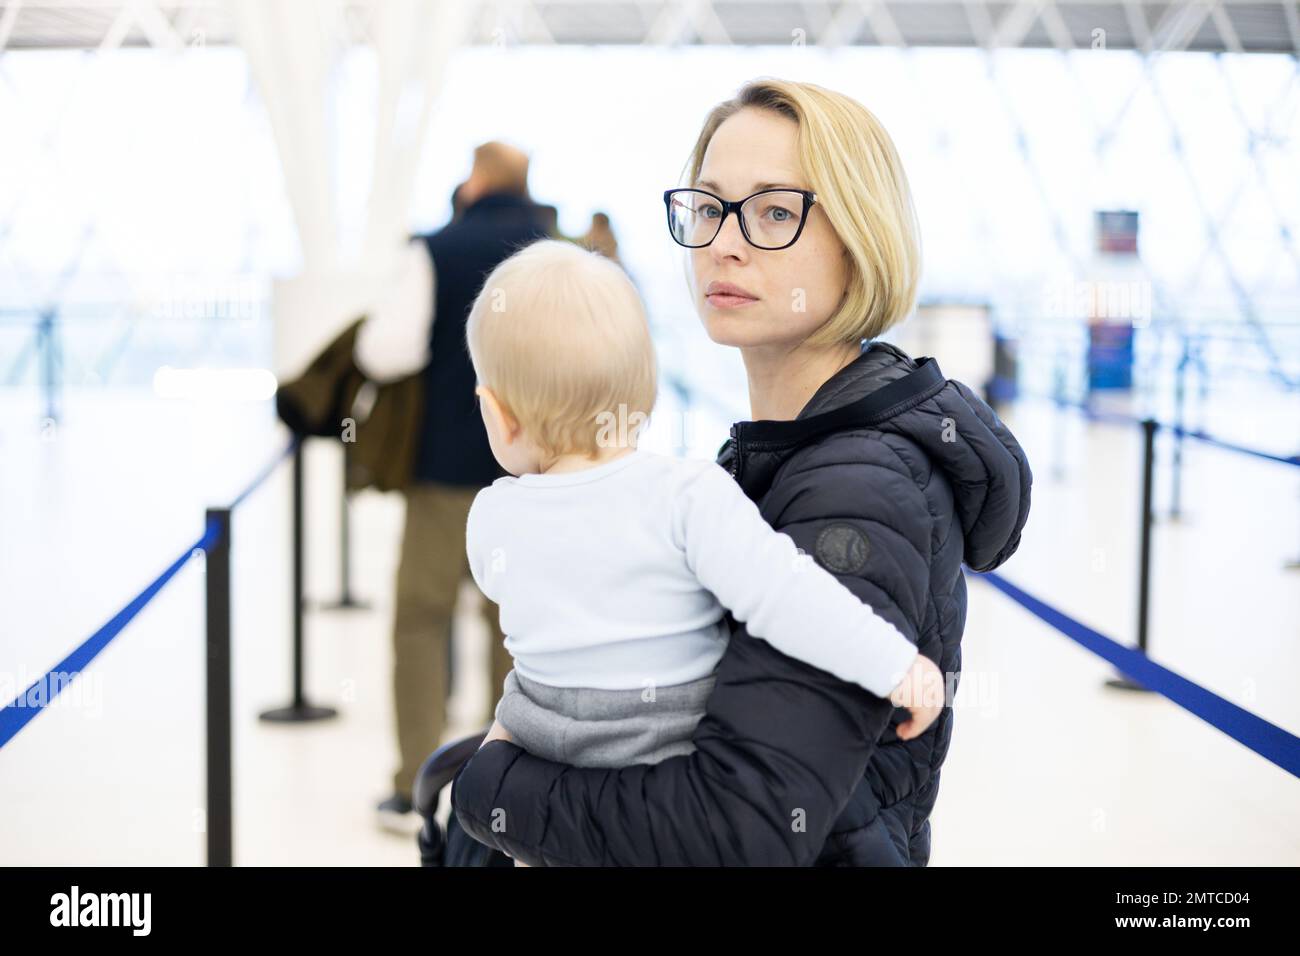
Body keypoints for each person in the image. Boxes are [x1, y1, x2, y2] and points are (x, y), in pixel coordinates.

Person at [451, 79, 1032, 865]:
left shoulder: (863, 491)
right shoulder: (767, 454)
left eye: (774, 213)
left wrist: (488, 791)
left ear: (859, 240)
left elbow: (734, 832)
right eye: (709, 206)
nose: (725, 242)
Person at [461, 240, 943, 827]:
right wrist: (895, 664)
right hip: (664, 755)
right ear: (646, 390)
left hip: (541, 749)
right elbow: (787, 597)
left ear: (497, 413)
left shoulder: (492, 518)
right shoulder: (687, 496)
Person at [357, 141, 552, 834]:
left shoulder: (434, 250)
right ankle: (512, 772)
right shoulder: (555, 254)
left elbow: (387, 351)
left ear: (474, 180)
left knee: (422, 614)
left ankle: (416, 780)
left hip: (444, 470)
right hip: (535, 474)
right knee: (516, 624)